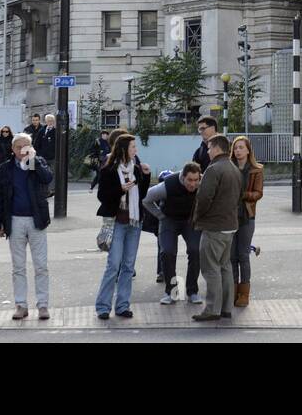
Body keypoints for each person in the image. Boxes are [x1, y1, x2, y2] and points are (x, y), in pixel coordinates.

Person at [0, 132, 53, 319]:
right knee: (18, 267)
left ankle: (43, 305)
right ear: (12, 149)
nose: (22, 150)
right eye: (19, 147)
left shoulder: (38, 162)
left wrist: (33, 161)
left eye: (26, 146)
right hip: (14, 220)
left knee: (41, 266)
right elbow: (0, 197)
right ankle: (21, 305)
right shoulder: (6, 168)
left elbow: (47, 178)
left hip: (36, 219)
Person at [94, 133, 150, 320]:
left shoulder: (136, 168)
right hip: (117, 221)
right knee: (113, 265)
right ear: (124, 149)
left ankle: (122, 306)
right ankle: (103, 307)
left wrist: (147, 176)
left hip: (134, 221)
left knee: (128, 265)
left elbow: (141, 195)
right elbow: (102, 196)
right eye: (133, 147)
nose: (136, 150)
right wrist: (121, 189)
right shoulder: (109, 169)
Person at [190, 135, 242, 322]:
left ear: (218, 148)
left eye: (210, 148)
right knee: (225, 267)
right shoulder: (234, 168)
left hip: (214, 226)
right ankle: (226, 307)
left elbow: (204, 199)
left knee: (211, 268)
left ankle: (212, 309)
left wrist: (197, 218)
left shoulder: (213, 169)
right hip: (230, 226)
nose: (208, 151)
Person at [143, 162, 204, 305]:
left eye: (196, 180)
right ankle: (171, 291)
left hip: (189, 220)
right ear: (183, 177)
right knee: (167, 252)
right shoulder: (167, 185)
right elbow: (146, 200)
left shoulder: (203, 184)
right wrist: (160, 216)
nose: (193, 184)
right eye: (190, 180)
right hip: (169, 219)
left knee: (196, 250)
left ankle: (192, 291)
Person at [230, 136, 264, 307]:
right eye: (235, 148)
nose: (238, 151)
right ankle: (233, 289)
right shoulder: (229, 168)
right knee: (231, 256)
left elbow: (258, 193)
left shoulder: (256, 170)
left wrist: (243, 195)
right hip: (229, 217)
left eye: (241, 147)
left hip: (247, 216)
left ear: (248, 150)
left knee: (243, 255)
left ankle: (244, 293)